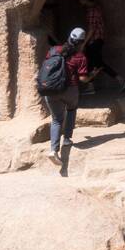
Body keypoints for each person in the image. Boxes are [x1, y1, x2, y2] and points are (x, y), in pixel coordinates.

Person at [42, 27, 96, 165]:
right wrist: (92, 75)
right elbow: (83, 79)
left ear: (69, 37)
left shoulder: (54, 50)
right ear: (81, 42)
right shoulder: (80, 57)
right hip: (70, 89)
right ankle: (66, 139)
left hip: (51, 89)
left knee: (56, 119)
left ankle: (53, 150)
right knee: (71, 110)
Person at [77, 0, 125, 95]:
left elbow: (91, 29)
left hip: (94, 40)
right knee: (92, 63)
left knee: (98, 63)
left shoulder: (91, 11)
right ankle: (90, 87)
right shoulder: (97, 8)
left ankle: (120, 79)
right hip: (98, 39)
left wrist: (84, 43)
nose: (80, 2)